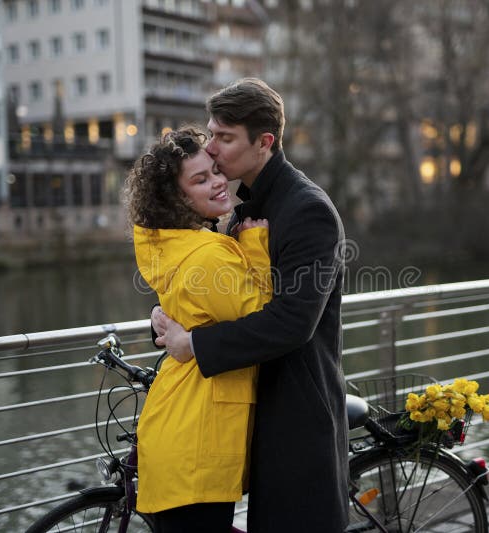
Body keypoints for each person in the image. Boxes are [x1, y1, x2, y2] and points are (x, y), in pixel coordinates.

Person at [155, 78, 348, 532]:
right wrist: (167, 323)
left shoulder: (307, 210)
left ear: (265, 142)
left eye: (225, 137)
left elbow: (292, 321)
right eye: (211, 134)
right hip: (247, 406)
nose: (214, 149)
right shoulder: (243, 209)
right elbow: (223, 298)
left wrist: (195, 345)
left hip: (295, 414)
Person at [125, 126, 272, 532]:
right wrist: (256, 248)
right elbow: (267, 318)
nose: (219, 182)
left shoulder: (172, 244)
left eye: (215, 171)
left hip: (180, 429)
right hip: (196, 441)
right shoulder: (208, 255)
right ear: (178, 198)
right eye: (200, 179)